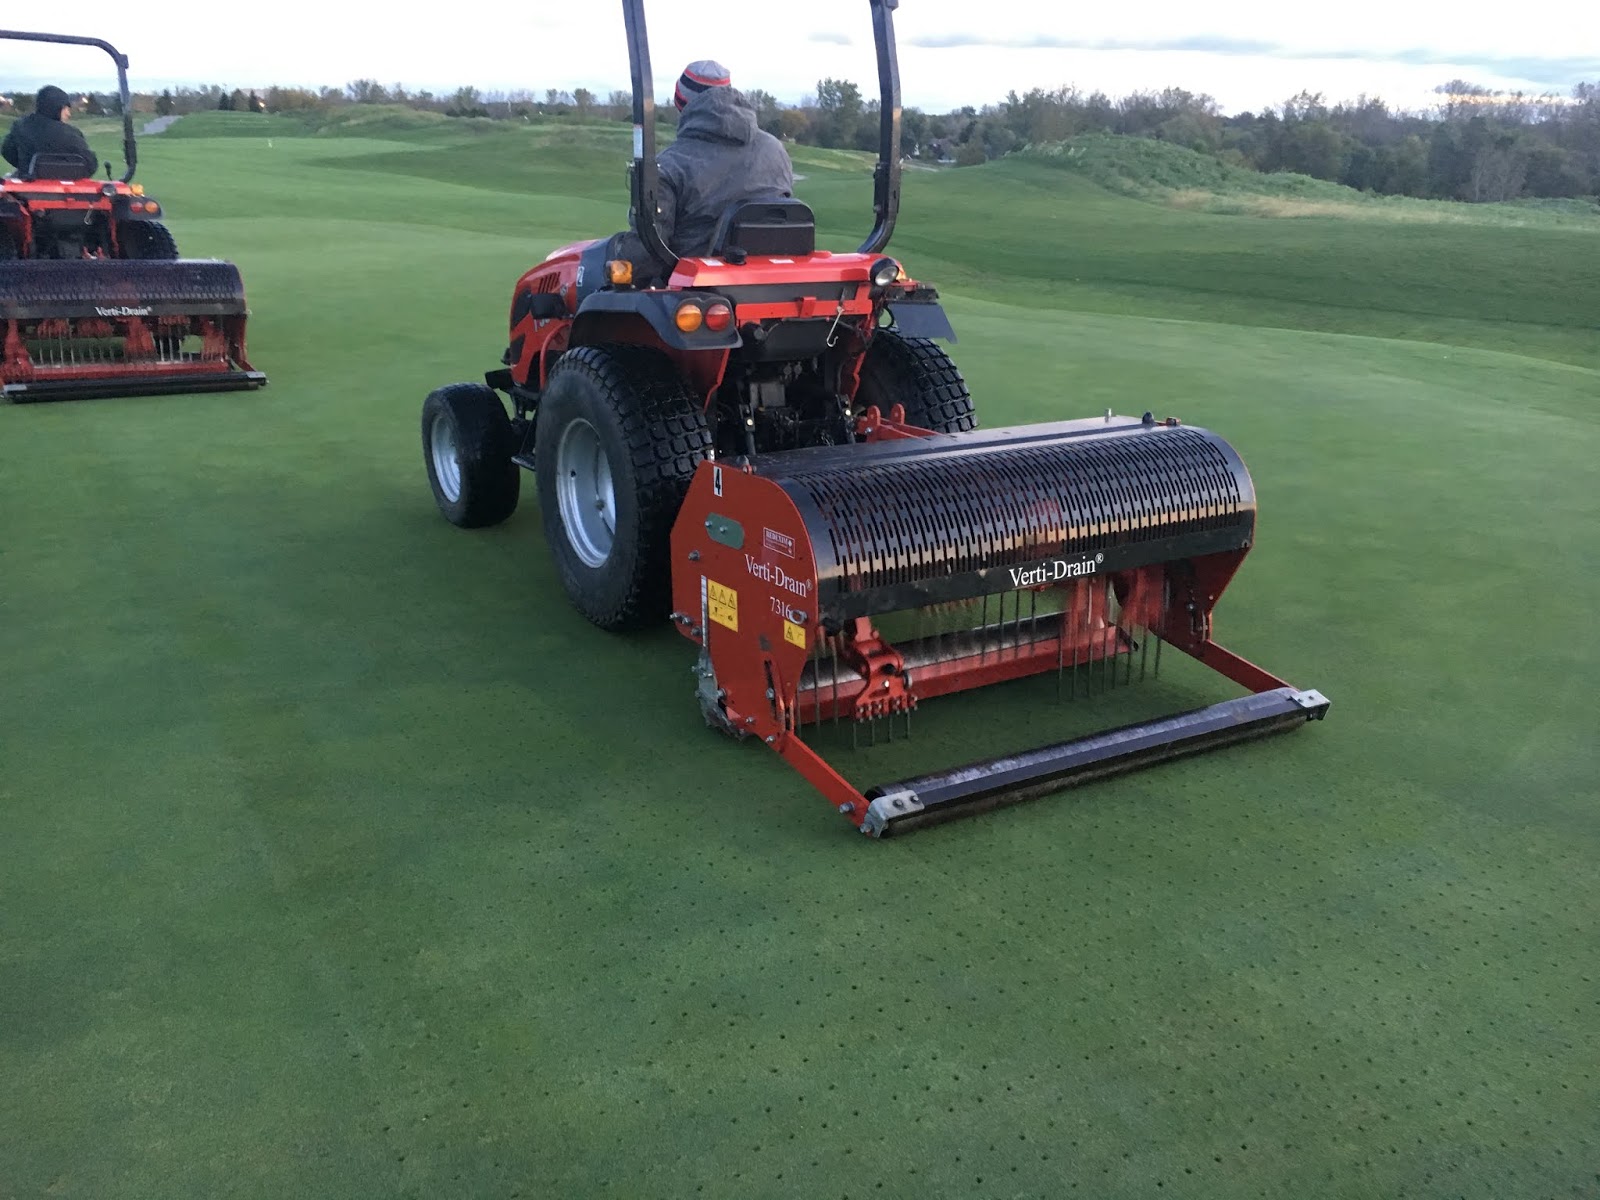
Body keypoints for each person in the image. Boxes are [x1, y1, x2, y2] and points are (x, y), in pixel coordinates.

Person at [610, 61, 795, 276]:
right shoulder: (775, 150)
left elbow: (646, 256)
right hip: (768, 281)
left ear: (680, 103)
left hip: (696, 290)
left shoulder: (670, 165)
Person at [2, 85, 98, 178]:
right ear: (56, 108)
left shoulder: (20, 127)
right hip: (64, 190)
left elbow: (7, 151)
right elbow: (90, 165)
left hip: (26, 188)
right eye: (65, 108)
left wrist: (25, 168)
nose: (68, 114)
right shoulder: (71, 134)